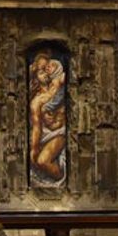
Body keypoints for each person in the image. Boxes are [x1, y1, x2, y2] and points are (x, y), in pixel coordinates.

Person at [28, 54, 66, 184]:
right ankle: (59, 180)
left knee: (42, 161)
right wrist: (34, 148)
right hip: (45, 135)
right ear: (35, 76)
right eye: (41, 70)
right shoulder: (37, 101)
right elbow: (36, 127)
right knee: (39, 161)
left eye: (47, 68)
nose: (45, 72)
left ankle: (62, 180)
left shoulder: (57, 86)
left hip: (59, 132)